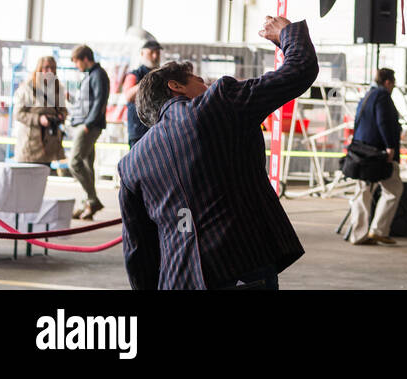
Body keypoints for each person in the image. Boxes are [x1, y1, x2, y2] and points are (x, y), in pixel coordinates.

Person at [116, 15, 317, 290]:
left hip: (179, 281)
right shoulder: (218, 104)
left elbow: (138, 251)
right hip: (244, 268)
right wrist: (287, 34)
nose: (208, 85)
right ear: (175, 87)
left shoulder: (131, 163)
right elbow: (300, 70)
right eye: (199, 80)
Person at [347, 67, 404, 246]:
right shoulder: (382, 96)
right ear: (388, 82)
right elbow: (384, 121)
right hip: (379, 153)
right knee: (393, 190)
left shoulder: (366, 95)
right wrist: (389, 147)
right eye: (393, 84)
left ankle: (358, 234)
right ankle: (378, 230)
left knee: (362, 192)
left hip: (362, 151)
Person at [68, 45, 110, 220]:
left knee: (74, 162)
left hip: (89, 125)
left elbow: (100, 100)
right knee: (86, 164)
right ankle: (87, 203)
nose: (77, 66)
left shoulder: (98, 75)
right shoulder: (91, 76)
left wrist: (89, 124)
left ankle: (92, 200)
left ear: (85, 59)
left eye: (77, 62)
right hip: (86, 123)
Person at [12, 55, 67, 167]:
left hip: (49, 145)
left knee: (42, 178)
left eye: (53, 68)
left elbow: (63, 111)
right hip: (31, 144)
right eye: (46, 68)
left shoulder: (58, 89)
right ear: (39, 69)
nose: (50, 71)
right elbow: (18, 114)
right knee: (27, 179)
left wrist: (60, 116)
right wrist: (38, 119)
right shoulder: (27, 88)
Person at [119, 31, 161, 150]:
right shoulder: (134, 75)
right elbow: (128, 96)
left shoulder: (163, 75)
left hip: (157, 129)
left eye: (157, 53)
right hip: (138, 130)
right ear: (142, 53)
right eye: (151, 52)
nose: (155, 56)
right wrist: (148, 80)